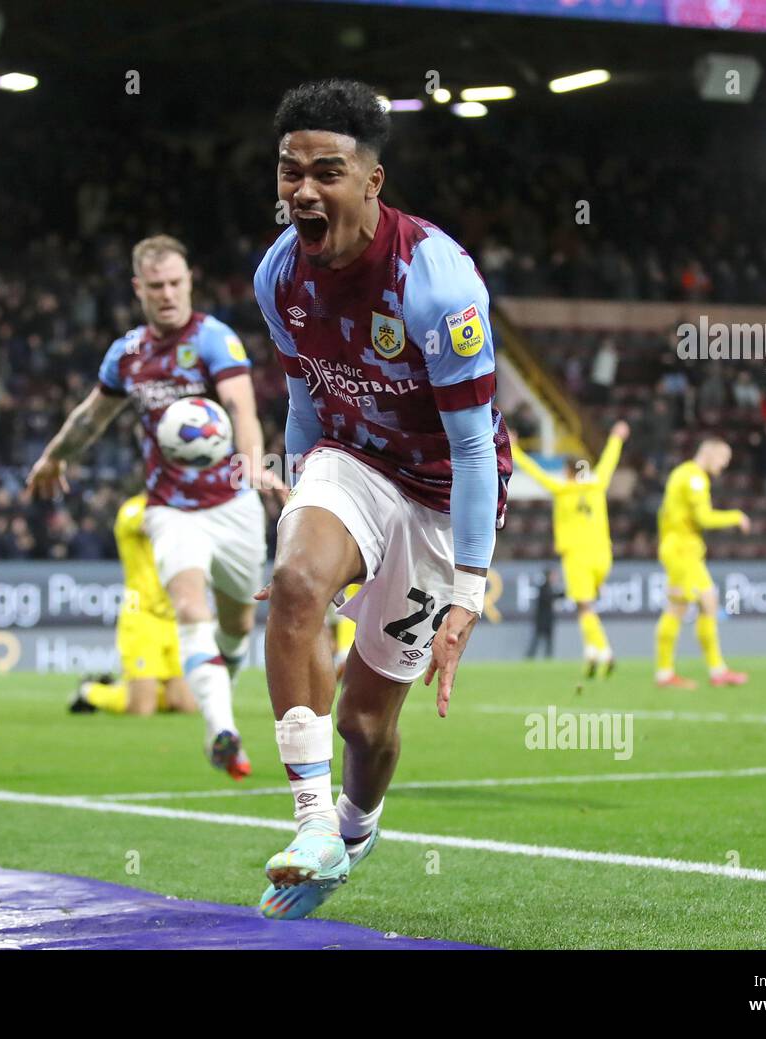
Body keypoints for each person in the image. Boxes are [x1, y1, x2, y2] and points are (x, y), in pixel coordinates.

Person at [252, 80, 510, 919]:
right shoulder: (278, 277)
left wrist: (468, 590)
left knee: (365, 725)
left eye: (326, 171)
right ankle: (313, 824)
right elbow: (301, 405)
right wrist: (296, 521)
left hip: (442, 489)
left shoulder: (436, 282)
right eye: (291, 171)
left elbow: (474, 447)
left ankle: (358, 824)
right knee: (294, 585)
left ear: (372, 181)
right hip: (353, 457)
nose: (303, 190)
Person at [27, 235, 284, 780]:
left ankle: (223, 687)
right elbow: (92, 417)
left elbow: (241, 405)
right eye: (157, 286)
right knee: (192, 607)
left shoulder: (216, 340)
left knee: (239, 622)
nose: (168, 294)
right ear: (138, 289)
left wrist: (254, 463)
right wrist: (53, 458)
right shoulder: (128, 355)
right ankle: (222, 730)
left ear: (189, 281)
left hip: (233, 502)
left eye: (176, 283)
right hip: (169, 507)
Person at [510, 421, 628, 677]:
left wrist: (516, 450)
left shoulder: (562, 489)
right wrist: (617, 438)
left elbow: (534, 471)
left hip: (577, 556)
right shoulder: (597, 485)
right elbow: (609, 461)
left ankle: (604, 650)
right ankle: (590, 653)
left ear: (568, 472)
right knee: (588, 606)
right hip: (603, 555)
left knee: (585, 608)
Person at [71, 493, 196, 716]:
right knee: (142, 708)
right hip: (141, 616)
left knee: (185, 705)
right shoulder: (134, 509)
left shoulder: (182, 507)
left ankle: (130, 687)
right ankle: (90, 692)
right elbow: (153, 526)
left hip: (172, 616)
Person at [654, 437, 751, 689]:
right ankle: (665, 674)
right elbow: (704, 518)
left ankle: (717, 671)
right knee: (677, 607)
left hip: (683, 549)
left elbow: (664, 512)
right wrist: (736, 516)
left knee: (708, 603)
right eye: (723, 459)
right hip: (681, 551)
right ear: (710, 453)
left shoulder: (682, 473)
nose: (723, 466)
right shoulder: (695, 477)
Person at [526, 568, 559, 659]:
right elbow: (549, 597)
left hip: (548, 619)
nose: (555, 578)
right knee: (537, 640)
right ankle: (530, 657)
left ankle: (547, 658)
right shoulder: (544, 587)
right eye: (553, 576)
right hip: (542, 620)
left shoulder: (549, 587)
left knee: (548, 641)